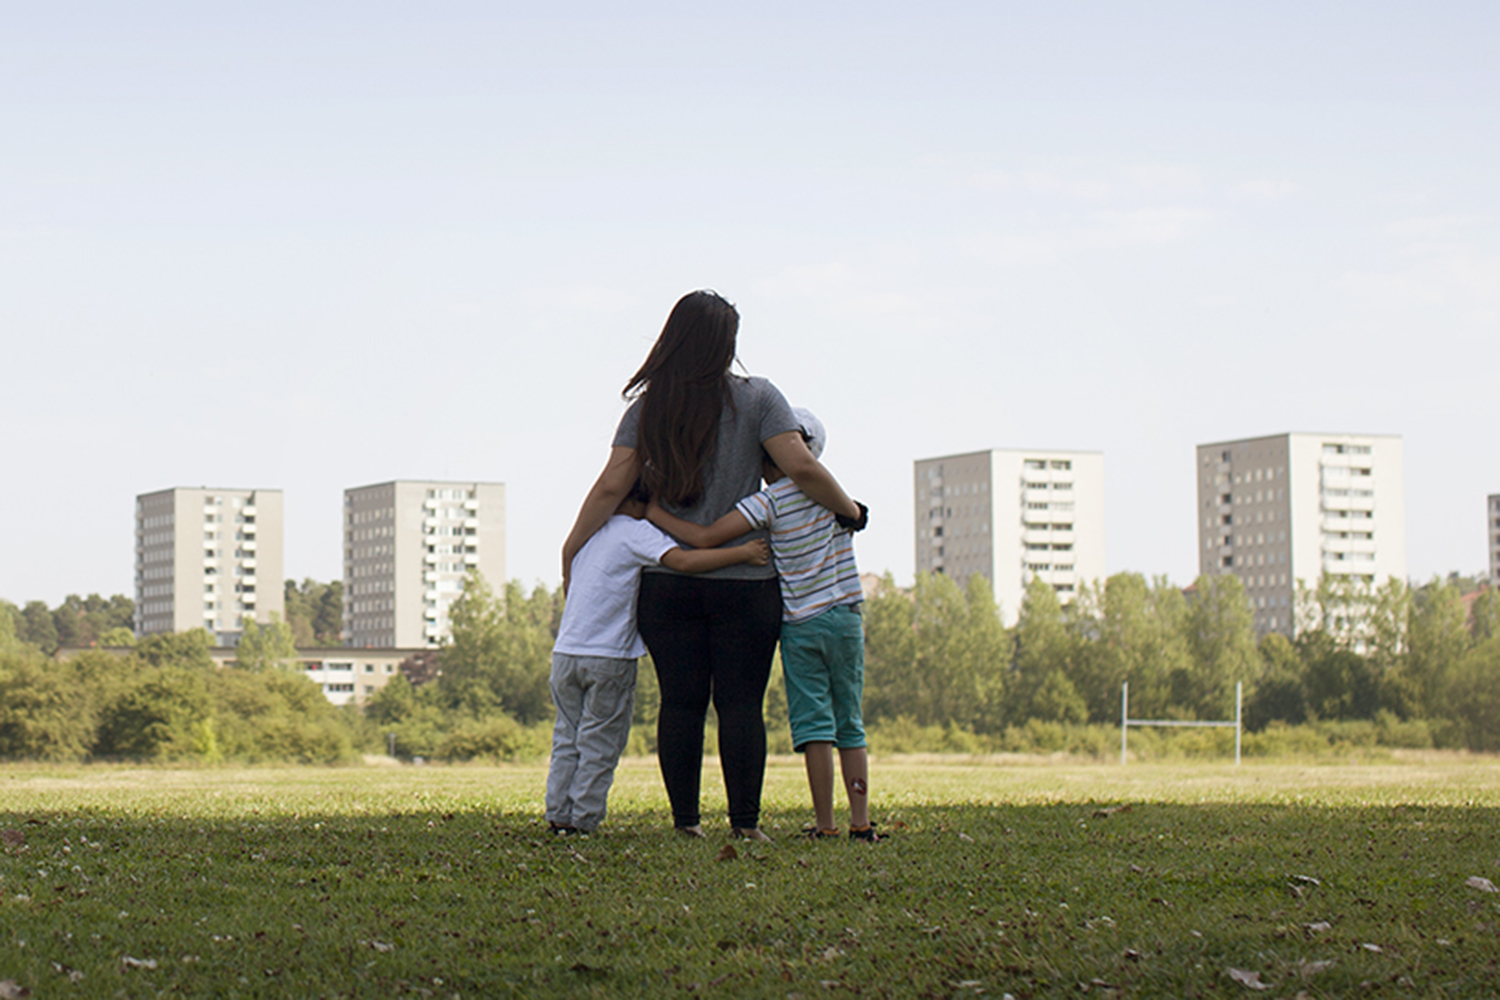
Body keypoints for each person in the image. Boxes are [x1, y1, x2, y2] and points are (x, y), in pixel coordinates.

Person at [561, 290, 862, 840]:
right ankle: (745, 825)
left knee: (680, 702)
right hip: (746, 583)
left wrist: (572, 547)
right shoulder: (759, 398)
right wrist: (850, 510)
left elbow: (610, 487)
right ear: (728, 344)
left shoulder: (648, 409)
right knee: (741, 704)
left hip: (667, 583)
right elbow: (800, 468)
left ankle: (687, 824)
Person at [647, 408, 879, 842]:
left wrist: (653, 512)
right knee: (850, 722)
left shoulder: (769, 502)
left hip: (801, 624)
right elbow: (857, 515)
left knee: (815, 726)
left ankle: (826, 825)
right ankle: (861, 823)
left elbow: (705, 537)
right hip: (846, 619)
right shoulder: (838, 499)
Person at [546, 479, 770, 836]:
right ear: (642, 501)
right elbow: (683, 560)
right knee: (599, 742)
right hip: (608, 657)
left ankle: (559, 814)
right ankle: (583, 820)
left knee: (567, 737)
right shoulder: (635, 532)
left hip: (565, 654)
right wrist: (742, 554)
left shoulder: (590, 536)